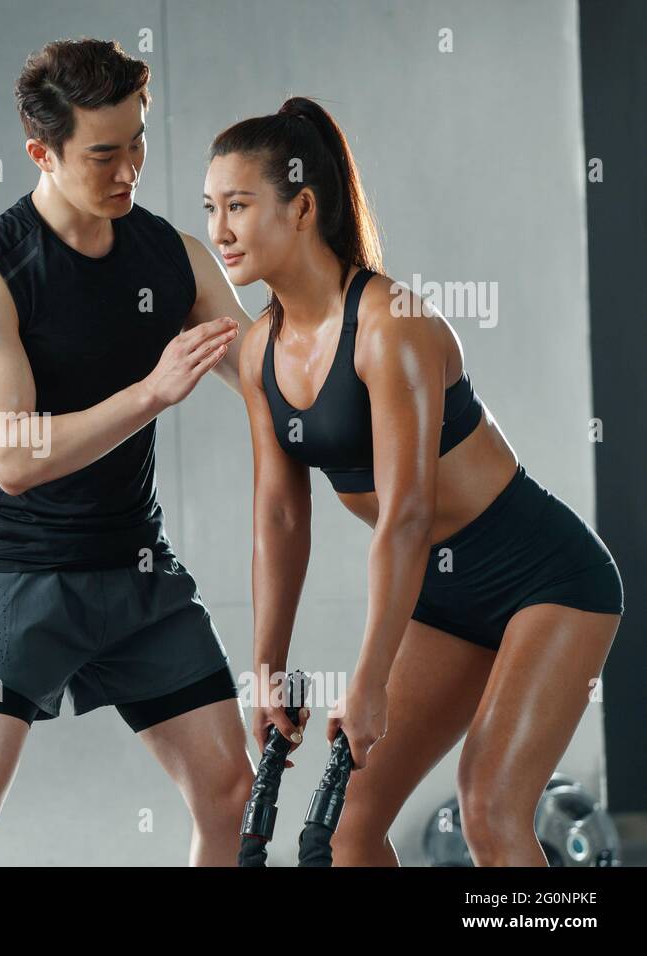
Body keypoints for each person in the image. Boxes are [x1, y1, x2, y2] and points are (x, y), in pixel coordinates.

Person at [206, 96, 624, 866]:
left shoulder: (388, 324)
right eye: (211, 209)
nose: (219, 231)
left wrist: (367, 681)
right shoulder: (261, 349)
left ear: (302, 207)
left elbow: (406, 512)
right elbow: (280, 517)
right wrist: (266, 672)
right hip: (441, 589)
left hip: (547, 579)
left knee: (489, 808)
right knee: (350, 828)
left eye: (238, 205)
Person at [0, 38, 255, 866]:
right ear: (42, 154)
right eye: (103, 154)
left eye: (138, 142)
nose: (129, 170)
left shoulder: (170, 255)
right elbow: (13, 459)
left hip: (135, 569)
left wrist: (364, 333)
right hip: (21, 569)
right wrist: (151, 393)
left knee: (230, 792)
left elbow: (267, 378)